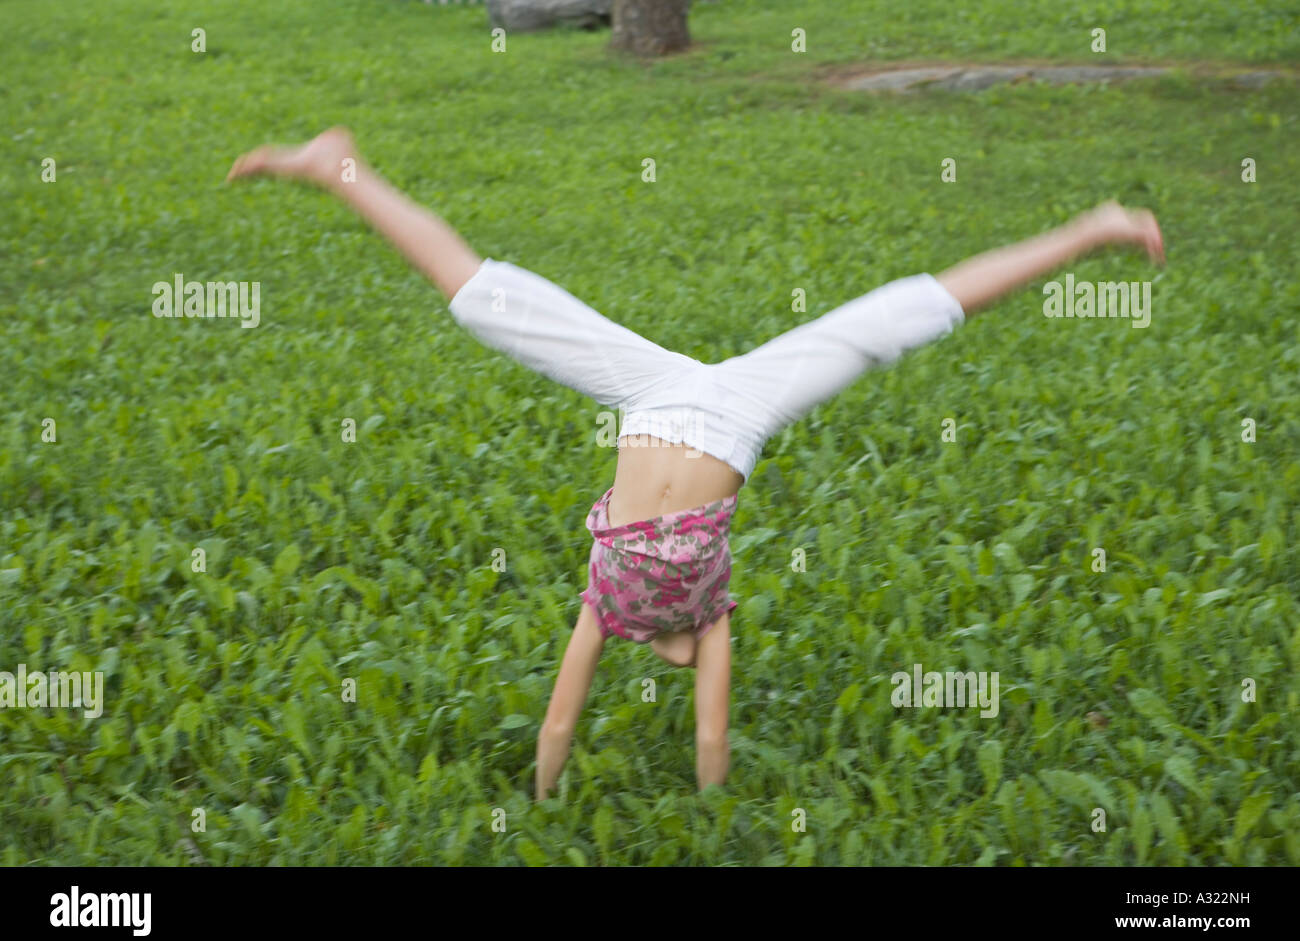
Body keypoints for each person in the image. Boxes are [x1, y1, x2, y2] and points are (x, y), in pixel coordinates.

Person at [226, 127, 1165, 798]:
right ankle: (1088, 229)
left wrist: (551, 795)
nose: (673, 662)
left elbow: (600, 727)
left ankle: (338, 166)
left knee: (481, 298)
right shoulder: (680, 619)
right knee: (899, 317)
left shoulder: (633, 613)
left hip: (657, 397)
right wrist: (611, 801)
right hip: (717, 409)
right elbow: (679, 738)